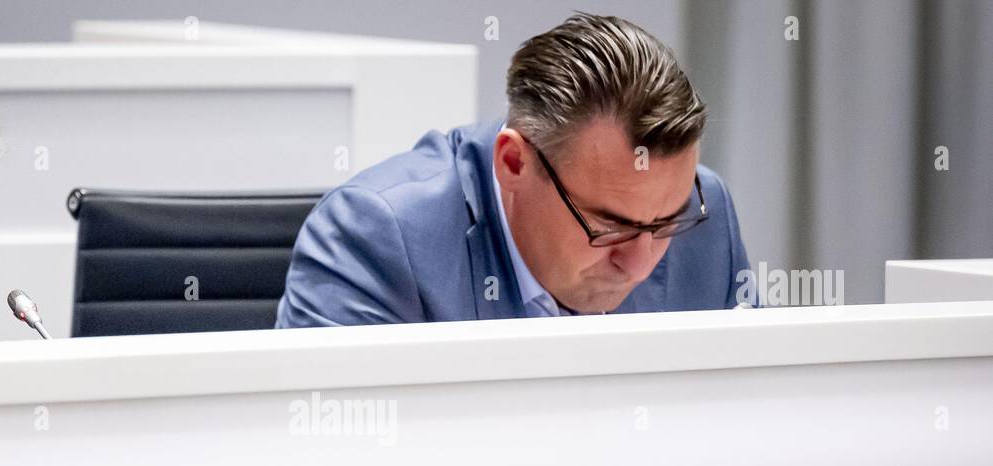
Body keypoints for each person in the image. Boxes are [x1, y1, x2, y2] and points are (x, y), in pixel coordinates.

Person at [277, 12, 753, 328]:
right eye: (611, 226)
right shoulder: (379, 237)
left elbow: (752, 421)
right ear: (513, 164)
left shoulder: (706, 213)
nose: (641, 262)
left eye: (666, 221)